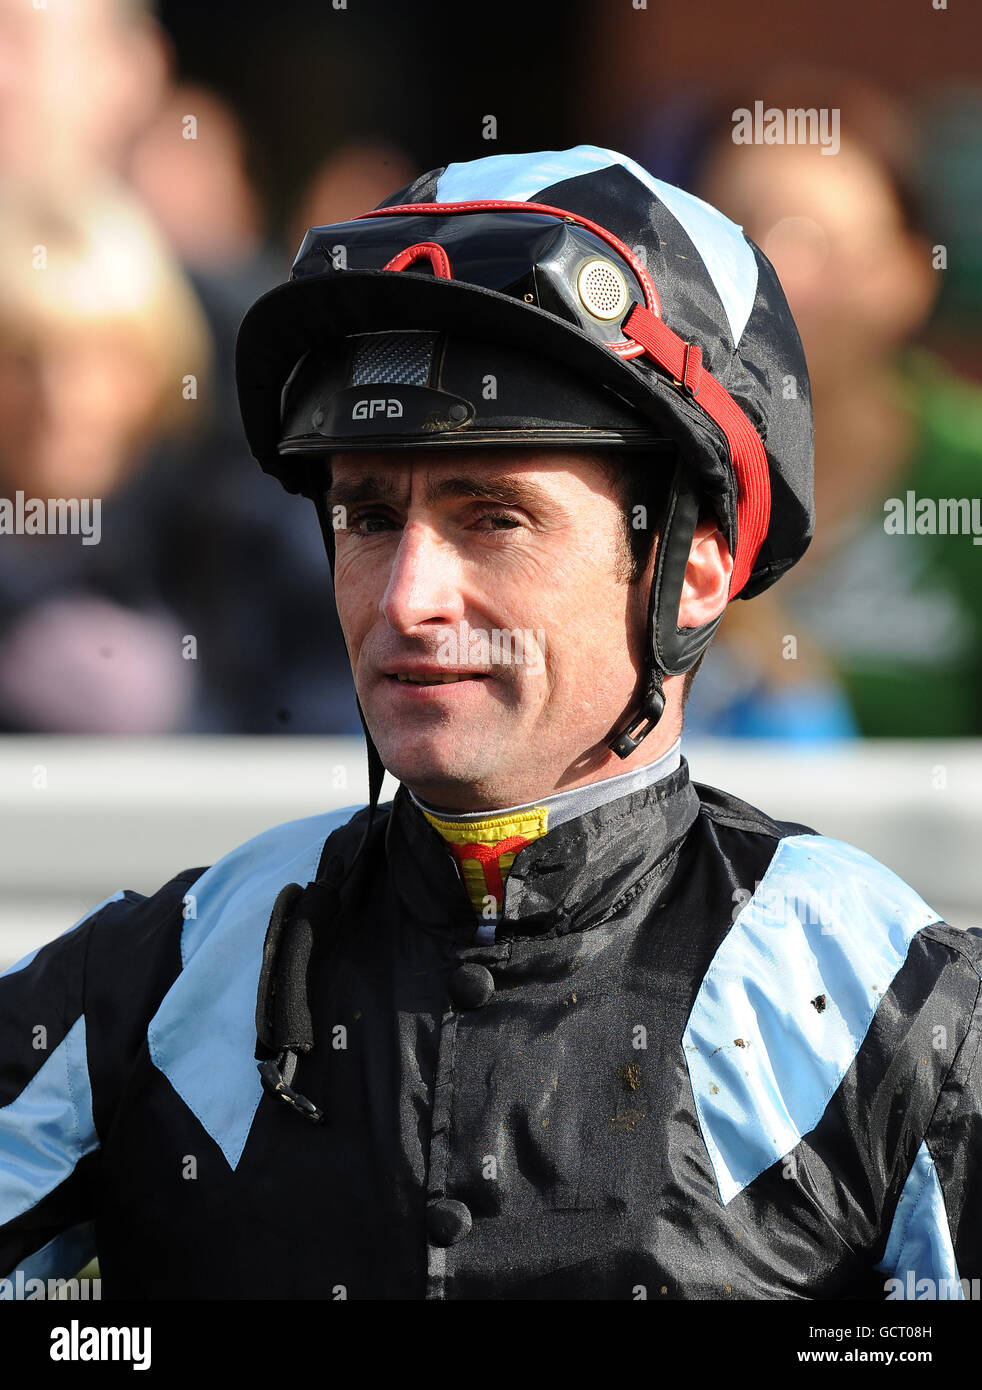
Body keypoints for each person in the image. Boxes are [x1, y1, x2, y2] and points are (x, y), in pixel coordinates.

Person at [1, 146, 979, 1300]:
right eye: (367, 514)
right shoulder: (159, 975)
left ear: (697, 565)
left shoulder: (899, 1010)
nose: (405, 598)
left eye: (493, 516)